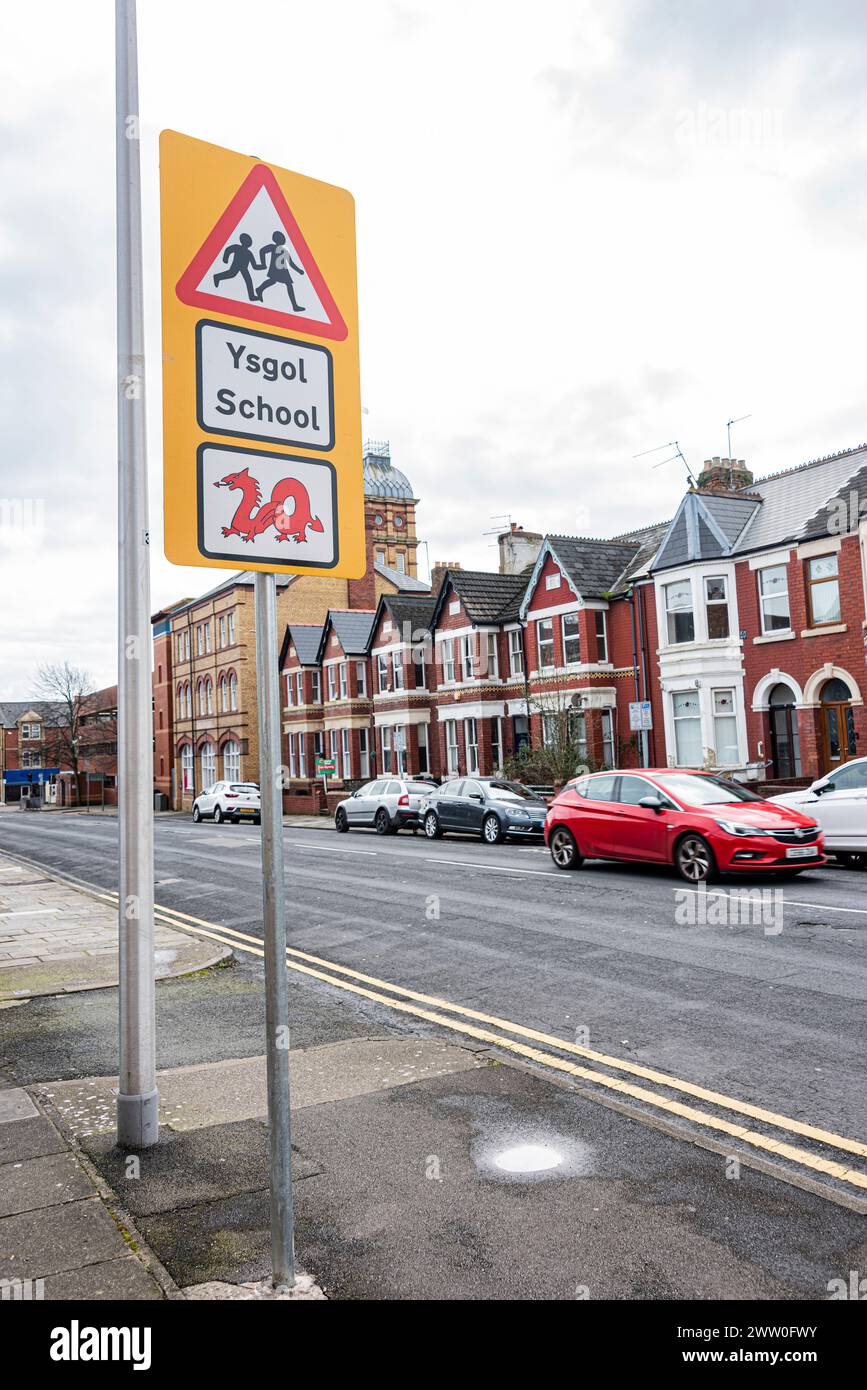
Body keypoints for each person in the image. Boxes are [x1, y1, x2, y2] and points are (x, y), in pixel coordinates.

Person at [255, 230, 305, 310]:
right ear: (276, 239)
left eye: (283, 238)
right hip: (276, 269)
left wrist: (299, 270)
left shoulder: (285, 250)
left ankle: (259, 289)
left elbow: (290, 262)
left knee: (274, 281)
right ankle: (294, 306)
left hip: (283, 270)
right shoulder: (272, 246)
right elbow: (262, 251)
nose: (283, 239)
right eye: (281, 238)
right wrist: (263, 264)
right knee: (285, 283)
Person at [213, 233, 259, 300]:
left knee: (248, 280)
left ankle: (251, 296)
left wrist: (262, 267)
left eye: (249, 242)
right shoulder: (237, 247)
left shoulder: (249, 253)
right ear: (242, 241)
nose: (248, 243)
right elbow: (228, 250)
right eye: (247, 241)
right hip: (236, 266)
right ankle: (217, 277)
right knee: (231, 274)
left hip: (244, 268)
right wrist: (225, 259)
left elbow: (254, 265)